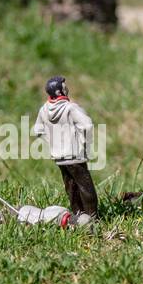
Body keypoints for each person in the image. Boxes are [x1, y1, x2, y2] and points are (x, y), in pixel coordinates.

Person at [31, 75, 98, 221]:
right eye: (64, 86)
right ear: (59, 91)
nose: (66, 88)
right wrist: (84, 142)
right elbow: (87, 125)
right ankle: (93, 217)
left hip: (58, 156)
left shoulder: (43, 109)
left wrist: (51, 141)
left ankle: (78, 215)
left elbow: (37, 130)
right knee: (85, 187)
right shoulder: (70, 108)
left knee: (70, 187)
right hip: (74, 154)